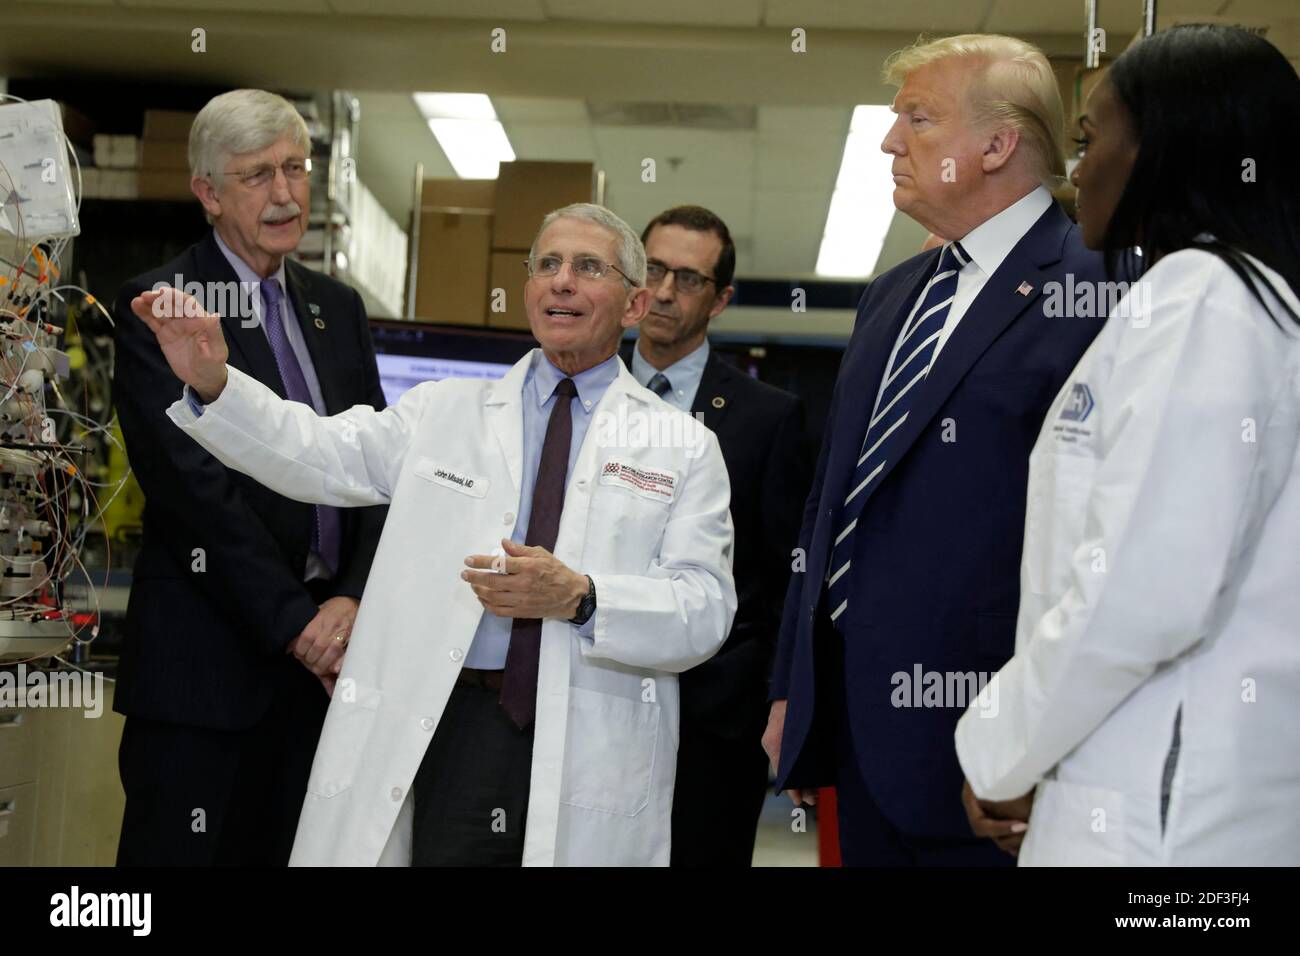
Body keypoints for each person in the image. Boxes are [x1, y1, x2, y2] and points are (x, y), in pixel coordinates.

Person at [129, 202, 737, 867]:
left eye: (589, 267)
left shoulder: (682, 446)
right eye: (548, 265)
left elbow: (705, 607)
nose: (562, 282)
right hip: (460, 724)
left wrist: (583, 597)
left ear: (633, 304)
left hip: (592, 733)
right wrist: (215, 382)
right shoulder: (445, 412)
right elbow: (318, 452)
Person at [762, 33, 1111, 866]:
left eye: (917, 118)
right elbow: (832, 501)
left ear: (995, 146)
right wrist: (793, 686)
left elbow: (1097, 539)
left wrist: (1031, 738)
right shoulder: (893, 295)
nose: (890, 141)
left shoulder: (1096, 288)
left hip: (993, 753)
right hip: (851, 724)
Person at [955, 23, 1300, 866]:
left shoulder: (1199, 301)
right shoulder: (1257, 305)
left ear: (1166, 146)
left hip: (1157, 817)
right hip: (1184, 792)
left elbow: (1142, 591)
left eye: (1090, 136)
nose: (1078, 168)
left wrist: (999, 752)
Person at [111, 89, 388, 866]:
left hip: (324, 680)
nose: (285, 194)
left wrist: (351, 598)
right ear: (207, 192)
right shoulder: (162, 307)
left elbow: (375, 463)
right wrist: (299, 629)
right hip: (208, 684)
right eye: (258, 175)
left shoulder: (338, 308)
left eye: (296, 168)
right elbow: (198, 493)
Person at [632, 205, 811, 867]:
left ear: (721, 299)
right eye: (653, 269)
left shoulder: (768, 419)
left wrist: (767, 695)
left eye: (689, 278)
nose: (666, 292)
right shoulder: (581, 392)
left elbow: (782, 573)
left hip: (710, 718)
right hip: (588, 691)